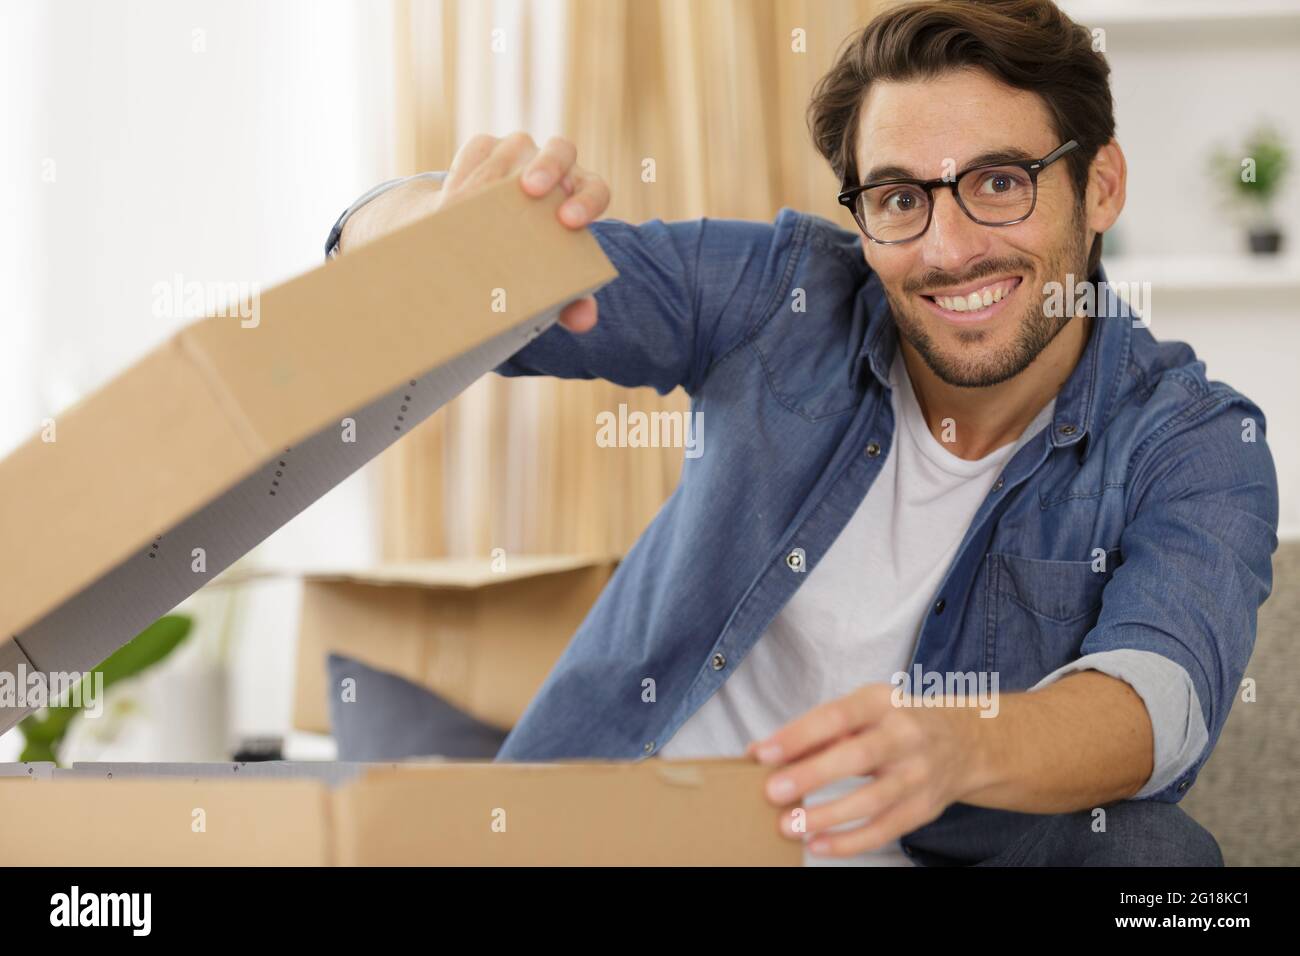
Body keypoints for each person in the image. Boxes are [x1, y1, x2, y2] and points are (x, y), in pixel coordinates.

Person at [326, 0, 1278, 866]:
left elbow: (1157, 698)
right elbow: (439, 289)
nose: (949, 251)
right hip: (621, 845)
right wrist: (428, 226)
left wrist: (961, 743)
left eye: (998, 183)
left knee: (1157, 859)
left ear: (1101, 186)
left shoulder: (1191, 440)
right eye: (901, 198)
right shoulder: (781, 296)